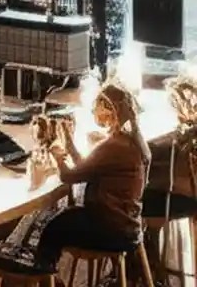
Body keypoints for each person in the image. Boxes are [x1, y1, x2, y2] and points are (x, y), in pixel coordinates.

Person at [37, 83, 150, 268]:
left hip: (111, 229)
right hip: (127, 226)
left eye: (96, 107)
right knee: (64, 219)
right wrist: (69, 142)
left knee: (52, 228)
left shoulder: (113, 146)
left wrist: (57, 157)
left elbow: (68, 177)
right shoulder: (129, 141)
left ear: (109, 112)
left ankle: (42, 274)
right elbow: (87, 168)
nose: (93, 112)